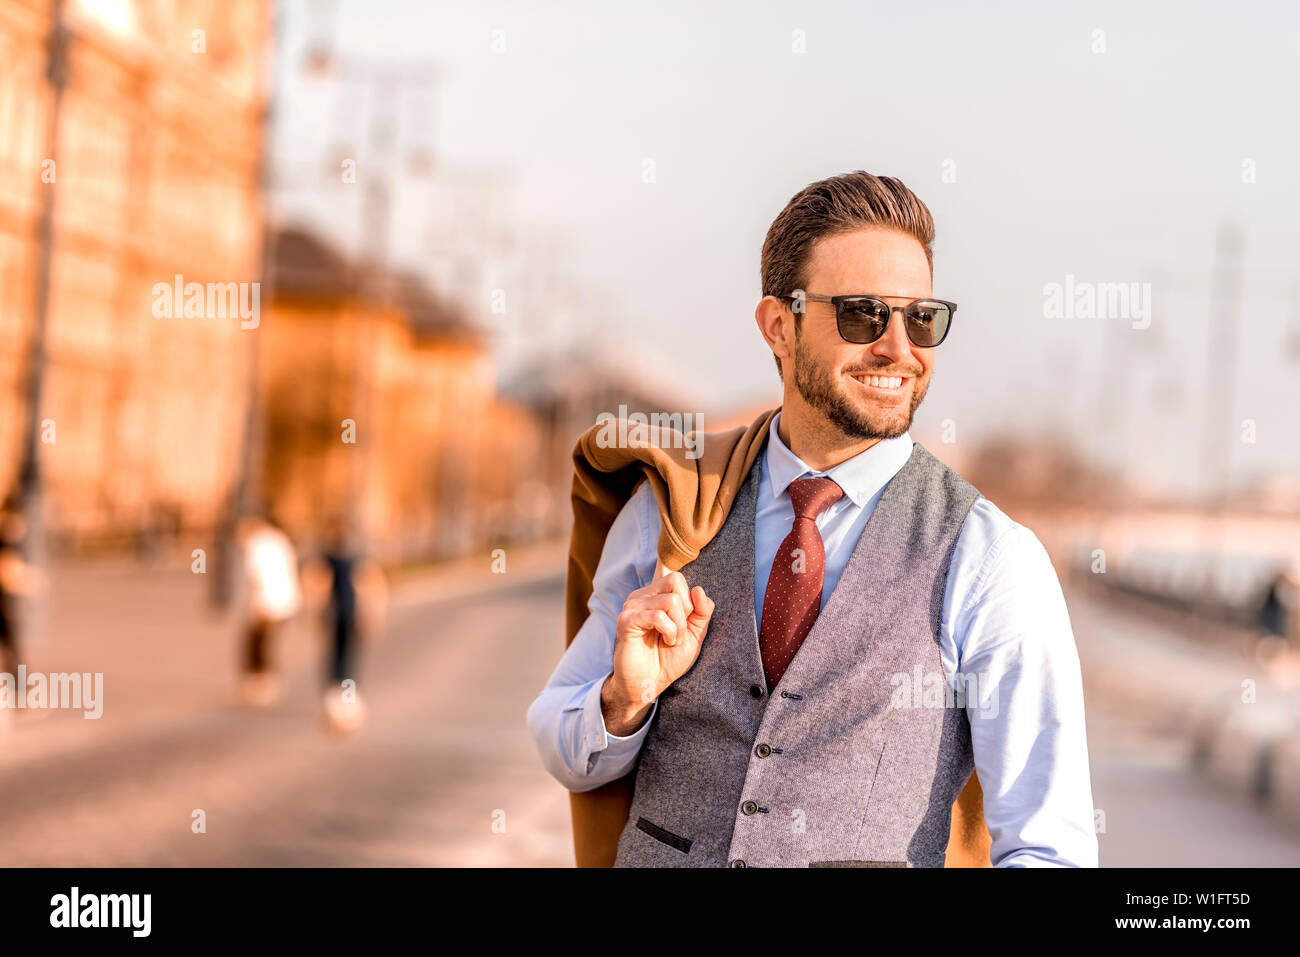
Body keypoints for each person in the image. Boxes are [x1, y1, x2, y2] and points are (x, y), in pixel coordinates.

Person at [527, 171, 1098, 867]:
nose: (898, 348)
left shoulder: (991, 558)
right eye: (862, 314)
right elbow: (560, 736)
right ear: (779, 325)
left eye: (921, 317)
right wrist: (625, 698)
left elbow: (1048, 847)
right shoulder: (673, 510)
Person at [302, 513, 386, 735]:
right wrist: (373, 615)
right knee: (345, 660)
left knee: (337, 661)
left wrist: (313, 614)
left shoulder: (328, 560)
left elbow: (315, 587)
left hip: (338, 615)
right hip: (348, 615)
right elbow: (373, 588)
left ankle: (340, 706)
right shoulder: (357, 560)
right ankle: (344, 706)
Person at [235, 514, 302, 708]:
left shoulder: (256, 545)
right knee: (267, 643)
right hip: (287, 600)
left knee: (256, 644)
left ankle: (260, 685)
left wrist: (256, 607)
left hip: (268, 601)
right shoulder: (279, 538)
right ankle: (268, 683)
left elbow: (258, 578)